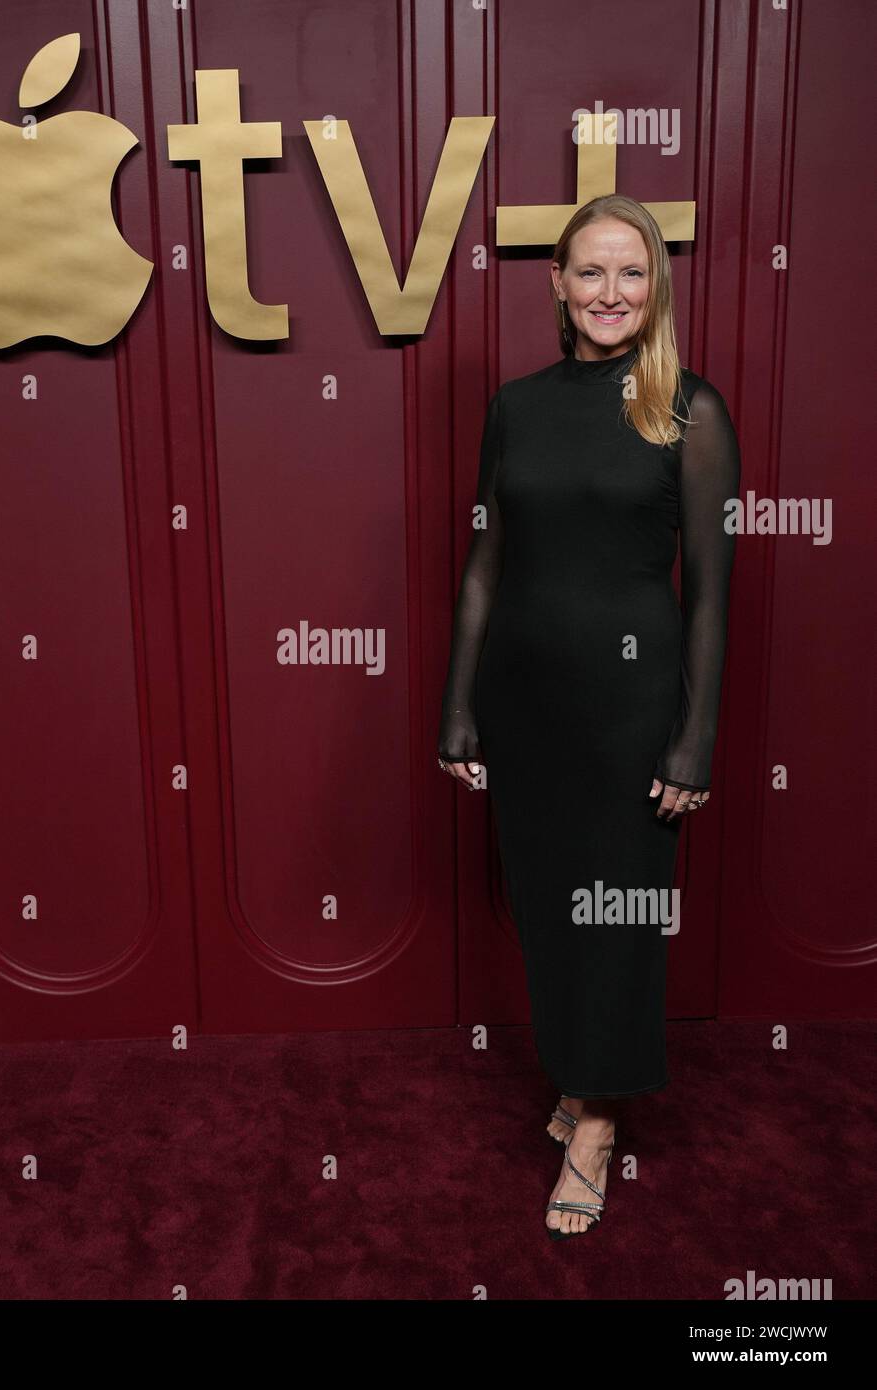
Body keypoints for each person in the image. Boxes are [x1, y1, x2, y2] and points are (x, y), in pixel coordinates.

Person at [437, 193, 740, 1240]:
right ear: (557, 285)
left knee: (615, 910)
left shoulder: (687, 410)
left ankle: (598, 1120)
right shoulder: (515, 406)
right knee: (549, 905)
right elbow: (483, 564)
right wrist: (458, 708)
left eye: (629, 272)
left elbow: (707, 589)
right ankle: (575, 1072)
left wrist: (693, 738)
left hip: (629, 704)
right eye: (589, 272)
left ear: (652, 287)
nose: (609, 292)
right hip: (524, 701)